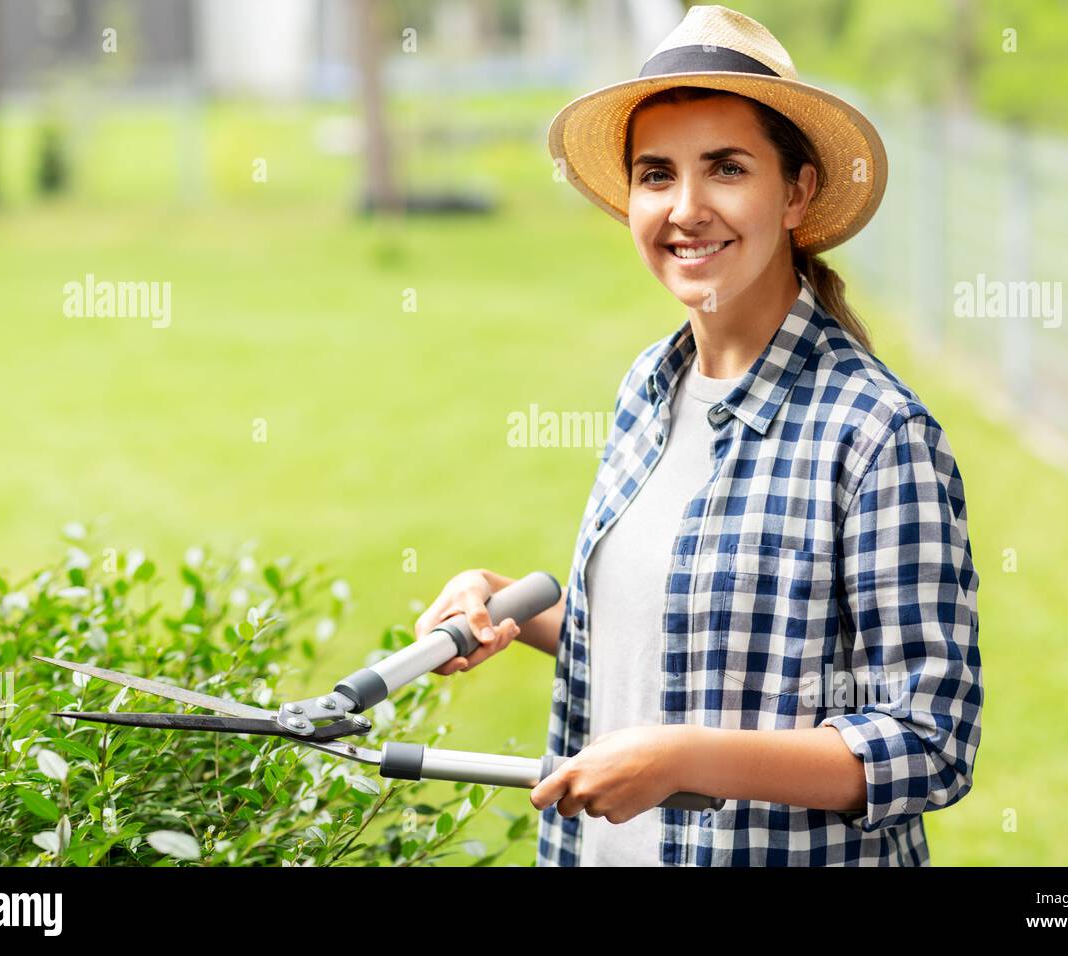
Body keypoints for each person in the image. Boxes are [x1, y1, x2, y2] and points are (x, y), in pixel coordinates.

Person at [414, 4, 982, 867]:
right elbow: (687, 650)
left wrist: (687, 759)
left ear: (796, 193)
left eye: (725, 168)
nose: (685, 208)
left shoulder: (876, 436)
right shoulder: (650, 386)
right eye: (656, 174)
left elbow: (929, 741)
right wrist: (509, 609)